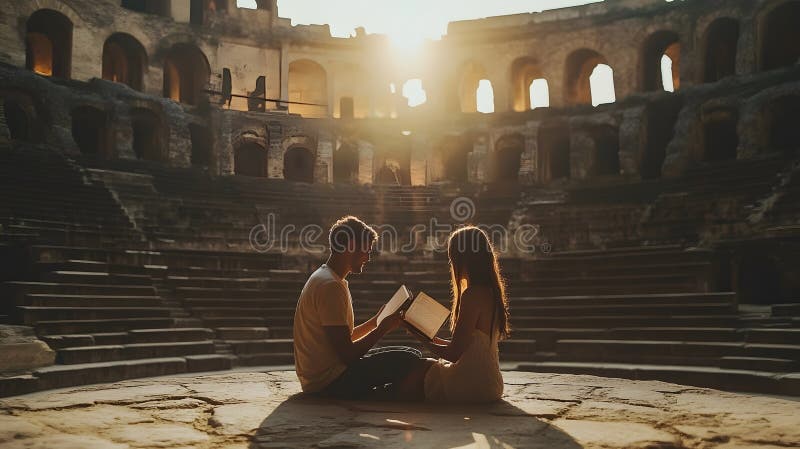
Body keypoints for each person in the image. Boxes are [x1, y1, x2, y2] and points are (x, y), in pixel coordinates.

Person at [293, 215, 427, 400]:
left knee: (411, 353)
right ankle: (383, 396)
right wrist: (382, 329)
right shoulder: (330, 286)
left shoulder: (327, 278)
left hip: (323, 375)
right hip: (329, 381)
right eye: (366, 250)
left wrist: (375, 322)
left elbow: (342, 339)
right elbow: (347, 354)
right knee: (409, 360)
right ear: (351, 246)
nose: (368, 257)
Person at [403, 226, 511, 403]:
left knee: (416, 370)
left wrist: (418, 336)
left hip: (471, 384)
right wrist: (425, 333)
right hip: (492, 384)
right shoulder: (492, 292)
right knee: (421, 370)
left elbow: (453, 354)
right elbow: (465, 346)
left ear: (462, 258)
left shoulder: (472, 295)